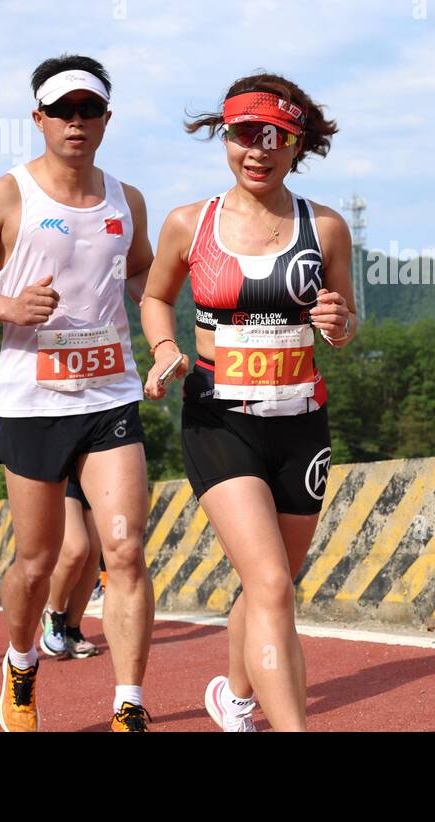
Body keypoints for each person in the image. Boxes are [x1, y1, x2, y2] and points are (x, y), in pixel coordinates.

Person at [0, 55, 155, 731]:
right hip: (33, 402)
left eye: (89, 109)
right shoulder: (5, 196)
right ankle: (21, 664)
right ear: (39, 118)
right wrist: (9, 307)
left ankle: (128, 704)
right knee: (37, 561)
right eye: (62, 110)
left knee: (125, 551)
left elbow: (143, 278)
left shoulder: (128, 200)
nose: (75, 121)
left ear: (107, 119)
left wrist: (174, 334)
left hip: (110, 395)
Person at [140, 74, 355, 732]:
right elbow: (155, 297)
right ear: (224, 137)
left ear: (297, 145)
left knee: (275, 584)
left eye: (273, 138)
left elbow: (345, 323)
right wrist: (164, 349)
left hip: (301, 423)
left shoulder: (325, 227)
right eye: (242, 135)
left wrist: (339, 324)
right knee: (271, 586)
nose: (257, 151)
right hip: (219, 419)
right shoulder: (189, 223)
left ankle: (234, 699)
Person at [39, 476, 103, 659]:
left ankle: (72, 630)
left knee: (93, 555)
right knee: (77, 549)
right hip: (62, 468)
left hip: (93, 467)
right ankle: (54, 613)